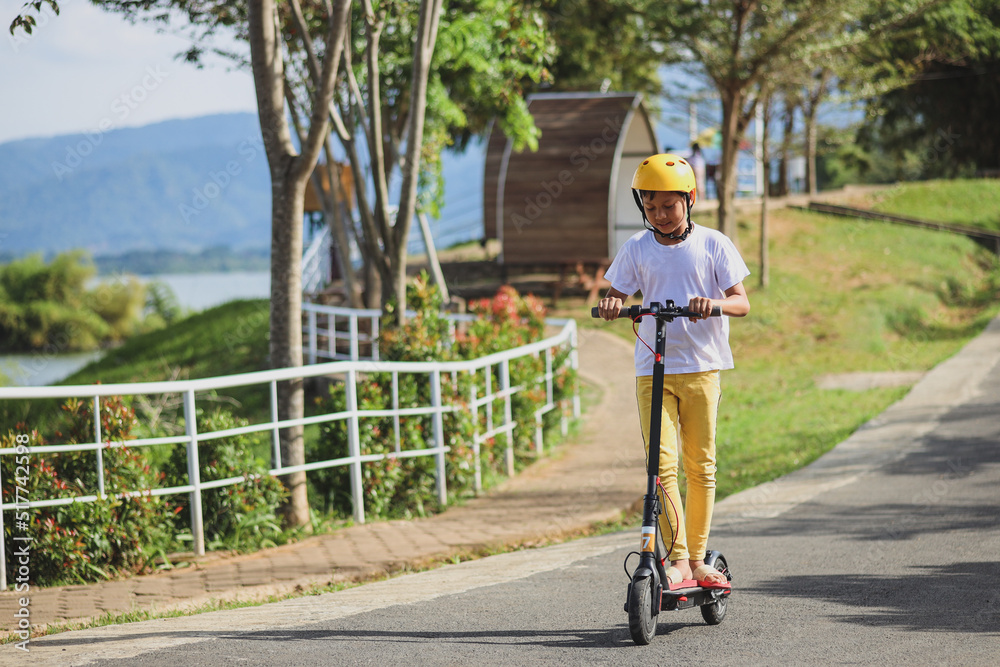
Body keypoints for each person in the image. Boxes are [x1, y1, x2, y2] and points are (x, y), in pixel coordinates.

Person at [597, 153, 750, 587]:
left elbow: (742, 302)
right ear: (641, 207)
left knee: (701, 466)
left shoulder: (714, 244)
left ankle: (700, 559)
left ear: (690, 200)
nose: (660, 215)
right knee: (660, 469)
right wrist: (611, 304)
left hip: (702, 368)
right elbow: (616, 294)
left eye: (669, 205)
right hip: (653, 369)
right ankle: (679, 559)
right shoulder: (637, 249)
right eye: (651, 207)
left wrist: (713, 303)